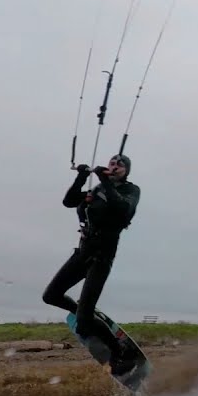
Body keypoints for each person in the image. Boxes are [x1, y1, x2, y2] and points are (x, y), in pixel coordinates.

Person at [42, 153, 141, 376]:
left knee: (85, 323)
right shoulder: (95, 191)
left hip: (102, 258)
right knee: (51, 296)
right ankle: (86, 312)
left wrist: (105, 180)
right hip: (82, 254)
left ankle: (120, 352)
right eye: (112, 163)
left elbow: (122, 210)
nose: (114, 166)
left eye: (120, 165)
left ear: (127, 171)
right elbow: (69, 201)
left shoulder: (130, 190)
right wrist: (81, 176)